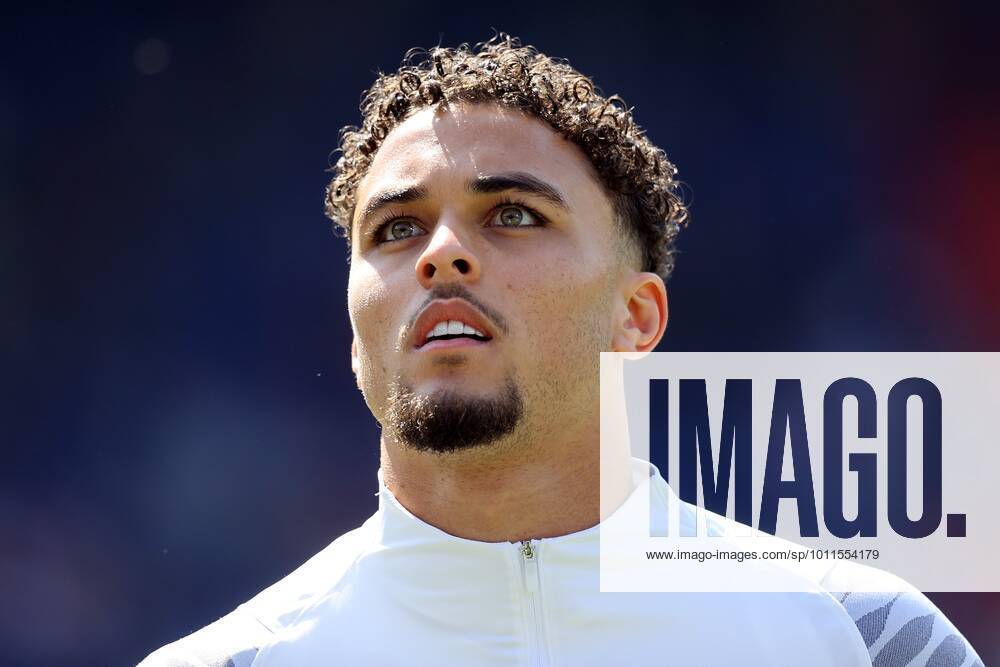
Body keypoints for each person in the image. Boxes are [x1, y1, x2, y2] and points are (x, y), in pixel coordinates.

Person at [140, 34, 982, 666]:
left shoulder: (868, 642)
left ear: (637, 317)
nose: (439, 253)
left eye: (512, 213)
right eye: (395, 229)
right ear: (354, 325)